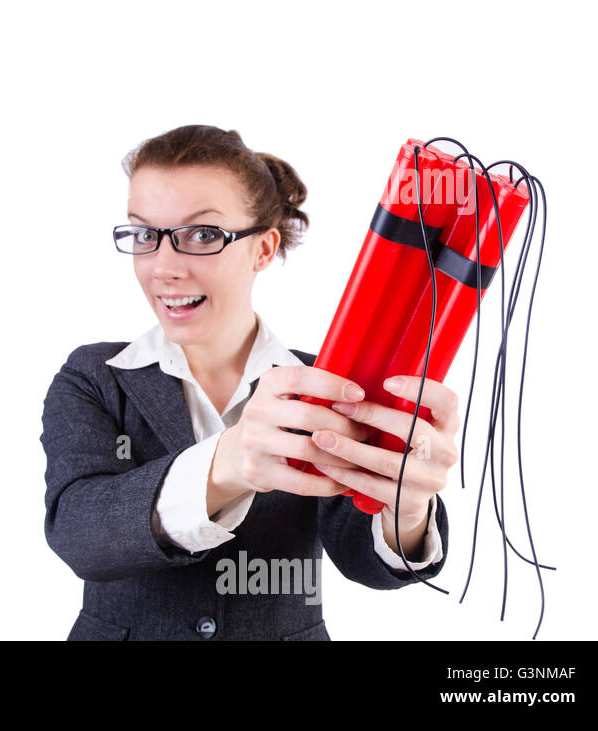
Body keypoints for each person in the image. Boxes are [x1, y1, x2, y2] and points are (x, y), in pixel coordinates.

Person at [40, 124, 459, 641]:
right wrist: (230, 462)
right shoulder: (95, 377)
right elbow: (80, 534)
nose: (162, 267)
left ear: (263, 250)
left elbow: (361, 559)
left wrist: (406, 510)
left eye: (202, 235)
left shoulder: (325, 382)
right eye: (144, 234)